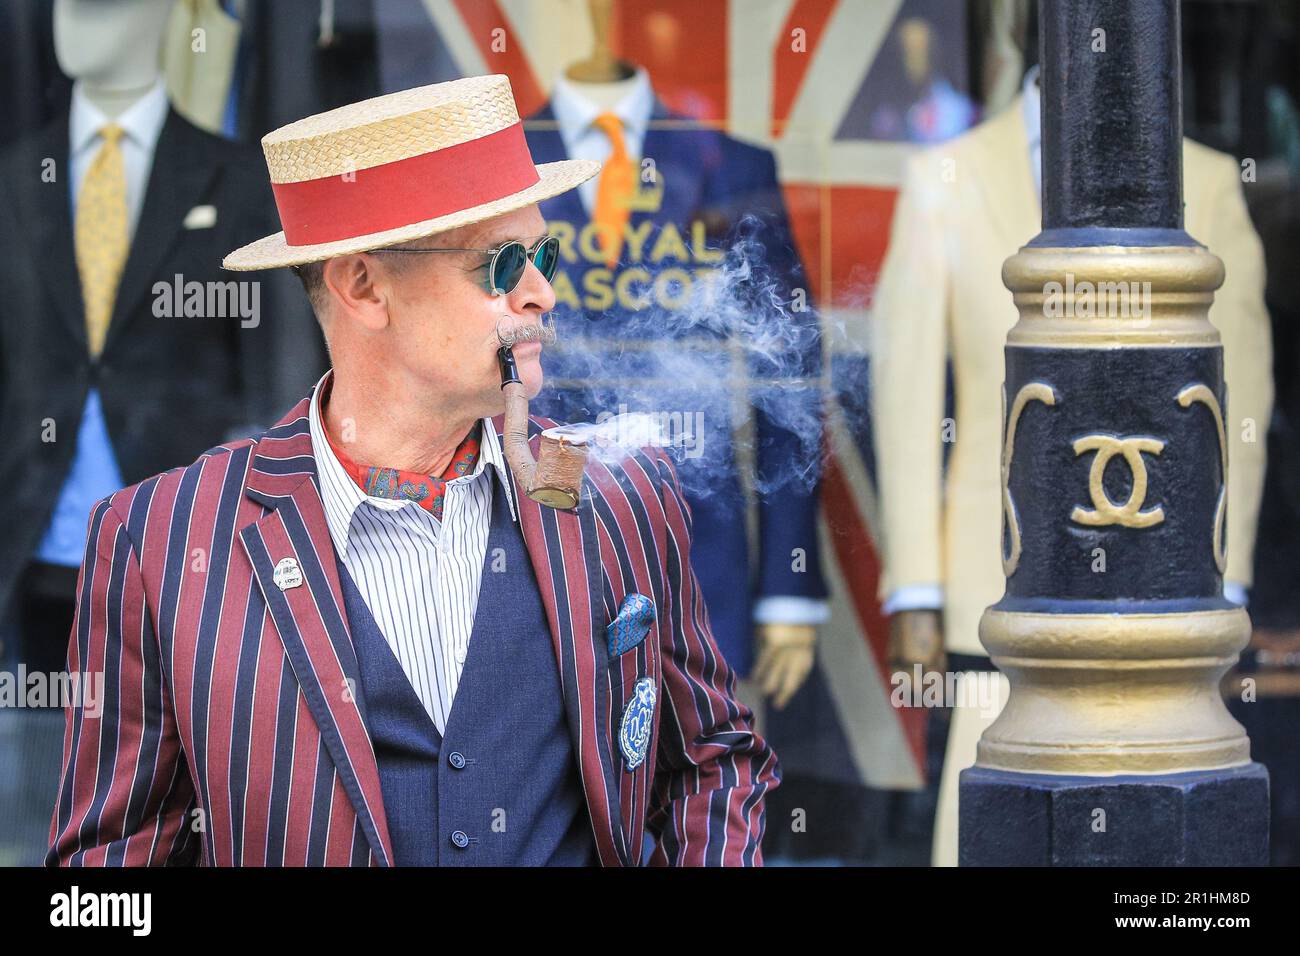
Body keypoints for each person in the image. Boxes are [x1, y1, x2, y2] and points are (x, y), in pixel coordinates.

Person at [48, 74, 777, 867]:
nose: (541, 292)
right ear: (362, 286)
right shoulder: (158, 541)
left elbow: (713, 760)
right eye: (500, 265)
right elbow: (106, 869)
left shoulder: (619, 492)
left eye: (544, 254)